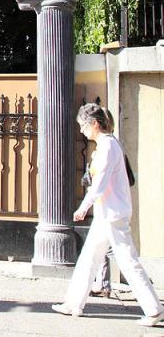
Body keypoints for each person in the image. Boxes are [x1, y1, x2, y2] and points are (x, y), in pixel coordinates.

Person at [52, 103, 162, 326]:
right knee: (89, 258)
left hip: (112, 214)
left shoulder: (108, 147)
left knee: (127, 261)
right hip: (108, 213)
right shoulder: (107, 145)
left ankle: (153, 309)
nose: (82, 130)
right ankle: (74, 303)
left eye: (83, 125)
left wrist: (83, 207)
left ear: (94, 124)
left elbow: (99, 184)